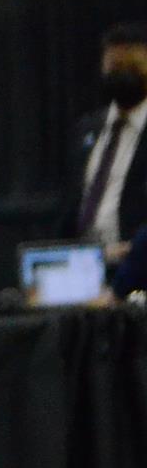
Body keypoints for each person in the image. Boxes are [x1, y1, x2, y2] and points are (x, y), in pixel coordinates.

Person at [67, 23, 147, 280]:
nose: (121, 74)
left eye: (130, 66)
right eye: (114, 66)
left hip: (134, 268)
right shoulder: (87, 129)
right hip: (82, 266)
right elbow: (71, 202)